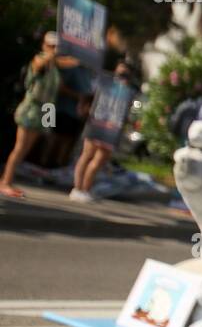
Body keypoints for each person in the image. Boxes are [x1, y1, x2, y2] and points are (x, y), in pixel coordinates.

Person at [1, 33, 79, 199]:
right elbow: (41, 63)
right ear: (44, 45)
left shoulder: (55, 67)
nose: (54, 49)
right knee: (20, 148)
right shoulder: (39, 59)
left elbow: (71, 64)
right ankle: (5, 182)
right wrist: (53, 52)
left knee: (31, 149)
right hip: (32, 109)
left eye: (56, 46)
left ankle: (10, 180)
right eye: (51, 45)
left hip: (47, 109)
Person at [69, 61, 134, 202]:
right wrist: (83, 106)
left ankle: (85, 189)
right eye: (121, 67)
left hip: (113, 129)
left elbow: (128, 111)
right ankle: (77, 188)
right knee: (87, 155)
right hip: (97, 123)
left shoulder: (130, 90)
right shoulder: (104, 81)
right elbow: (88, 92)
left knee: (99, 161)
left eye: (126, 69)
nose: (123, 71)